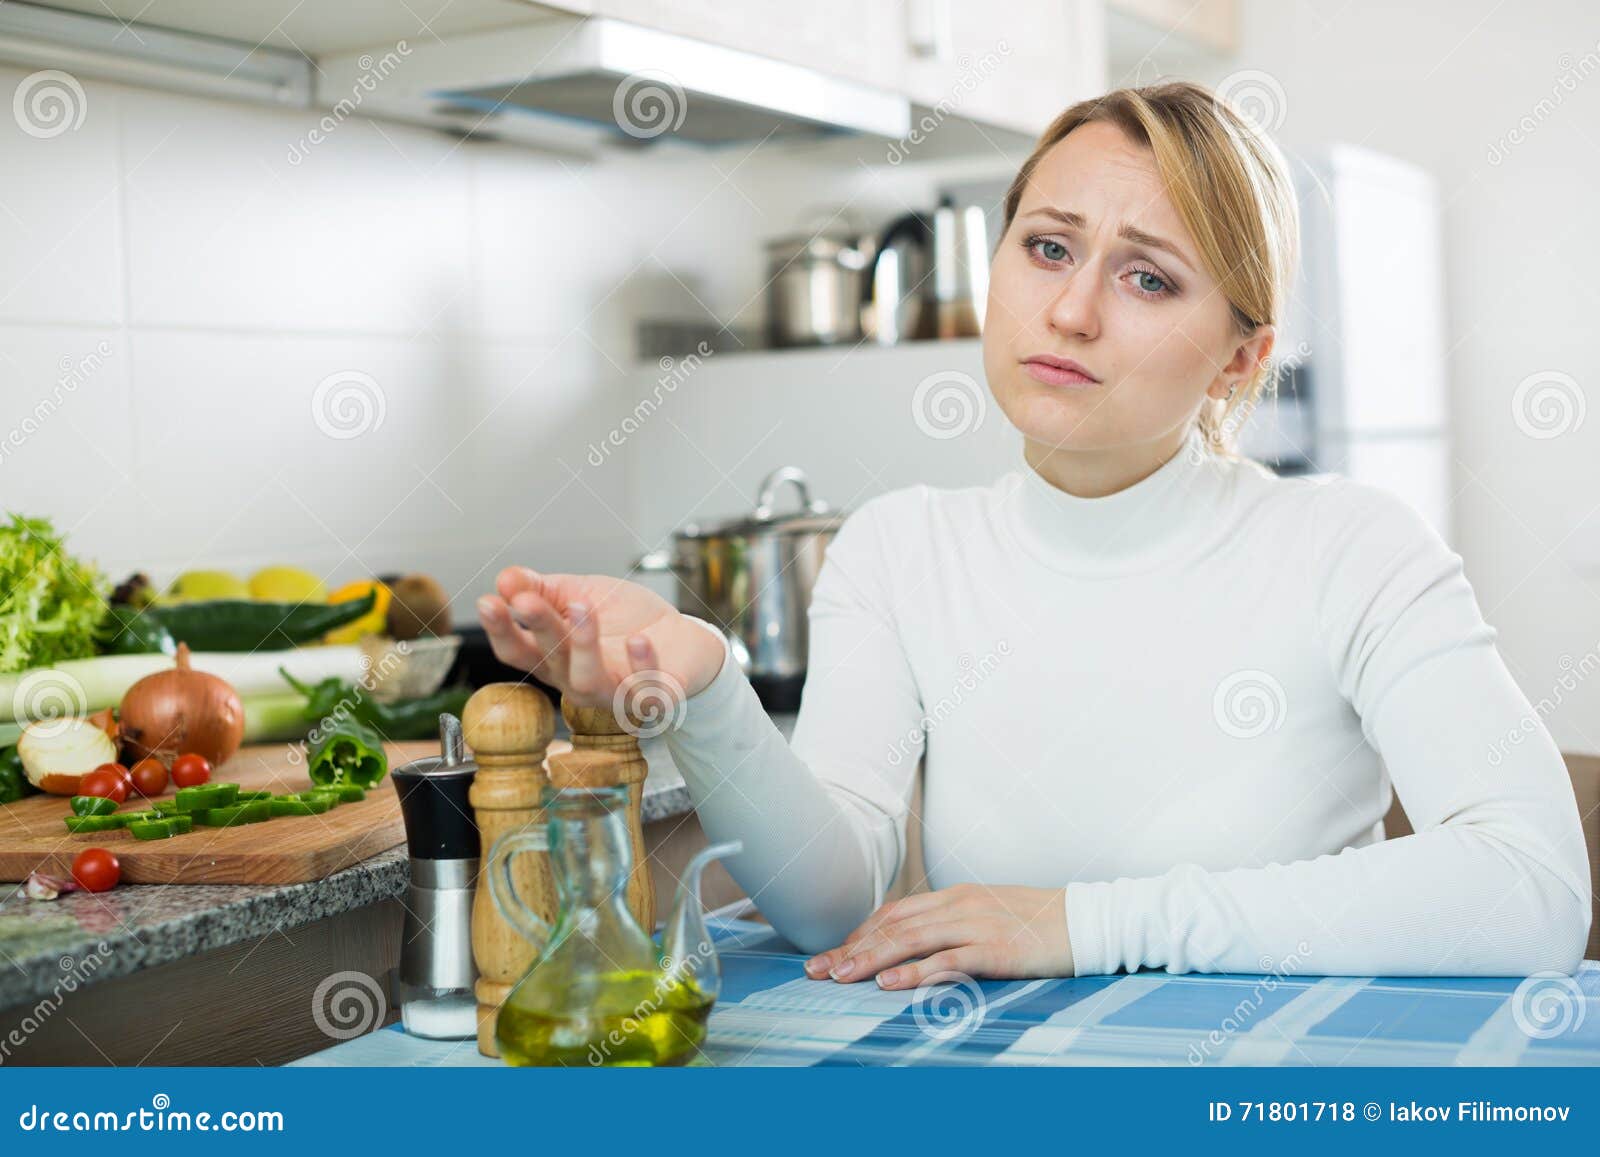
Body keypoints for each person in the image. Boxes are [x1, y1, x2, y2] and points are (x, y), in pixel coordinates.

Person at [477, 81, 1591, 988]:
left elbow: (1533, 886)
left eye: (1147, 276)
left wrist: (1085, 922)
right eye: (1048, 248)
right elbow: (834, 899)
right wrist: (706, 680)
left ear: (1240, 357)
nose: (1070, 311)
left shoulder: (1351, 546)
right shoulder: (899, 549)